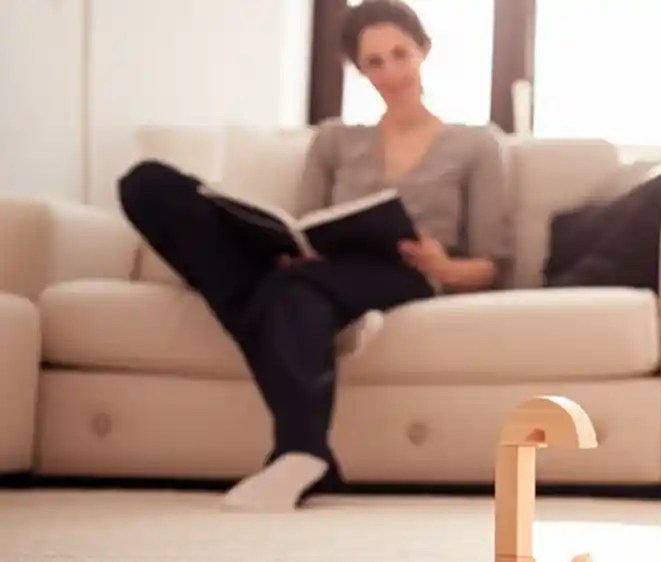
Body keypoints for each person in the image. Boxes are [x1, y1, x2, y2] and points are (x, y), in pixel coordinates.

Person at [115, 0, 511, 512]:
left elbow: (493, 267)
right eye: (374, 62)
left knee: (287, 294)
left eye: (400, 55)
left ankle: (301, 450)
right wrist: (285, 249)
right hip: (320, 273)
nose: (391, 72)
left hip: (407, 274)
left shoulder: (476, 143)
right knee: (149, 186)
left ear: (424, 52)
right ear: (358, 69)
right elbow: (303, 227)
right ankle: (322, 344)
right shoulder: (334, 140)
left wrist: (441, 264)